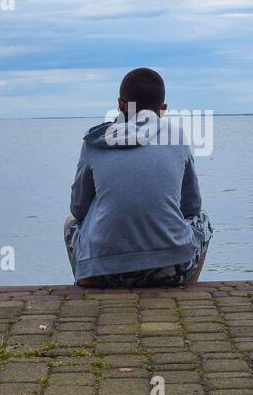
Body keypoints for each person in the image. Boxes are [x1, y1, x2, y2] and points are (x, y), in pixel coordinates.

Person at [64, 67, 212, 288]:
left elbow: (78, 210)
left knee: (69, 223)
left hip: (104, 274)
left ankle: (85, 277)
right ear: (163, 109)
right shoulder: (177, 137)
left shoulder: (95, 141)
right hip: (170, 269)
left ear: (121, 104)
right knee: (204, 222)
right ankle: (185, 288)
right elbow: (192, 207)